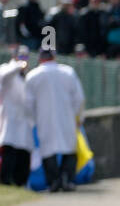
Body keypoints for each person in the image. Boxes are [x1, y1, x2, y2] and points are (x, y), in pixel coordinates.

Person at [24, 49, 85, 192]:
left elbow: (28, 104)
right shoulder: (68, 72)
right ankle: (67, 179)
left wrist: (33, 120)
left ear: (39, 58)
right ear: (54, 57)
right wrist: (79, 117)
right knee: (69, 148)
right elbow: (79, 98)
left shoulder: (32, 76)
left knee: (48, 150)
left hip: (44, 119)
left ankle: (54, 181)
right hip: (67, 117)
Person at [0, 49, 33, 186]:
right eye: (21, 56)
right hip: (10, 119)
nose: (23, 59)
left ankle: (20, 182)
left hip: (23, 121)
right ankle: (5, 180)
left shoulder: (25, 77)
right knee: (9, 152)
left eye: (25, 57)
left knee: (23, 155)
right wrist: (19, 65)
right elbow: (3, 76)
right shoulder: (7, 69)